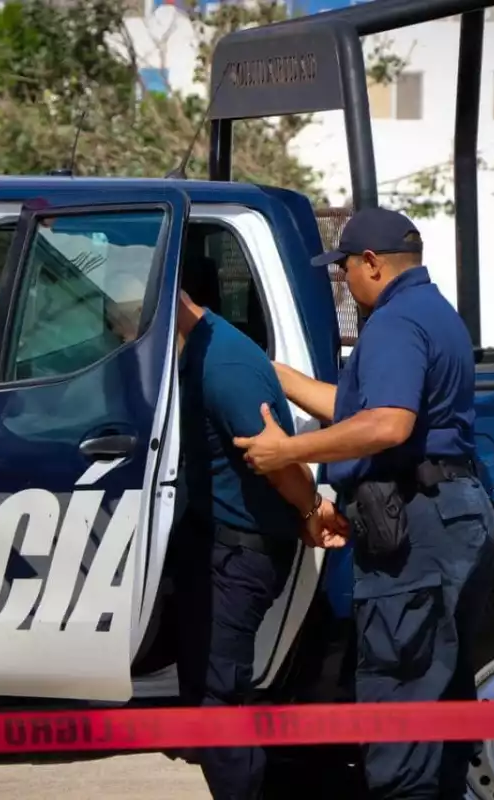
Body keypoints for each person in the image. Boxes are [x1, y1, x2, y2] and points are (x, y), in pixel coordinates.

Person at [232, 207, 494, 799]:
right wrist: (276, 374)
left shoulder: (395, 322)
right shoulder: (431, 312)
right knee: (440, 705)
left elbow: (386, 425)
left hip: (418, 530)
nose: (344, 280)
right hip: (453, 517)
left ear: (372, 263)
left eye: (345, 266)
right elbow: (363, 408)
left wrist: (287, 452)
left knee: (400, 711)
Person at [173, 259, 347, 800]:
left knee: (216, 698)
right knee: (207, 695)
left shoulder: (222, 362)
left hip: (237, 553)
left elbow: (275, 458)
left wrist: (311, 508)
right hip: (213, 543)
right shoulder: (196, 352)